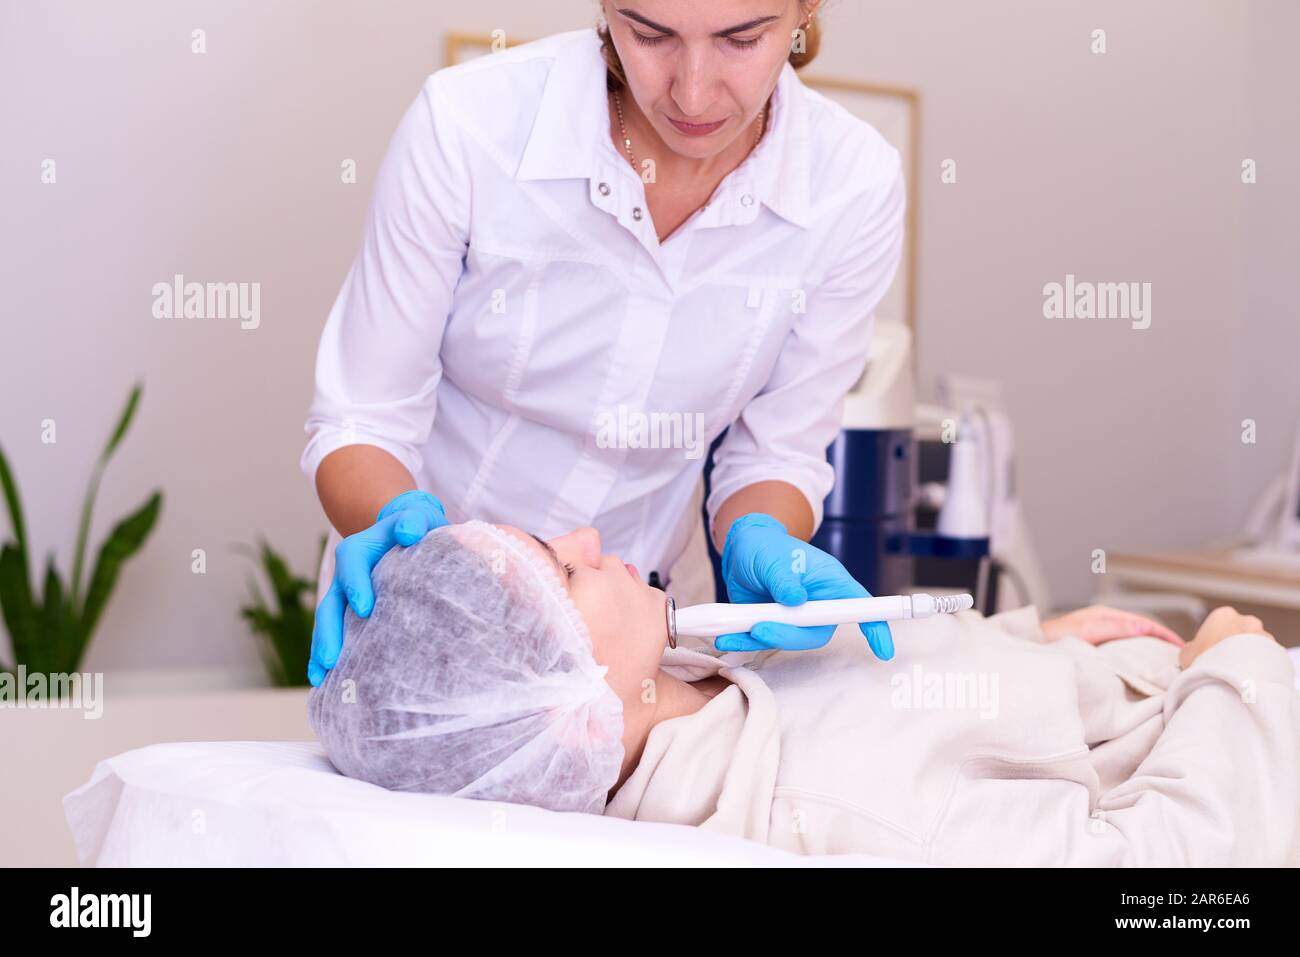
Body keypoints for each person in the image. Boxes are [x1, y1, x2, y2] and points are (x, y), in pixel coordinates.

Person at [301, 1, 908, 686]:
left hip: (641, 643)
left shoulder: (853, 187)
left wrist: (760, 534)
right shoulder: (471, 126)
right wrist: (399, 528)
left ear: (803, 12)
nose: (692, 90)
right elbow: (363, 417)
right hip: (425, 618)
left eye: (742, 38)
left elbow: (777, 451)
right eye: (651, 33)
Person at [309, 521, 1300, 865]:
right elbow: (1196, 868)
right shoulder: (840, 811)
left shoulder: (695, 692)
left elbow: (915, 710)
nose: (583, 540)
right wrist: (1235, 661)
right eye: (559, 573)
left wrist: (1029, 649)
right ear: (565, 706)